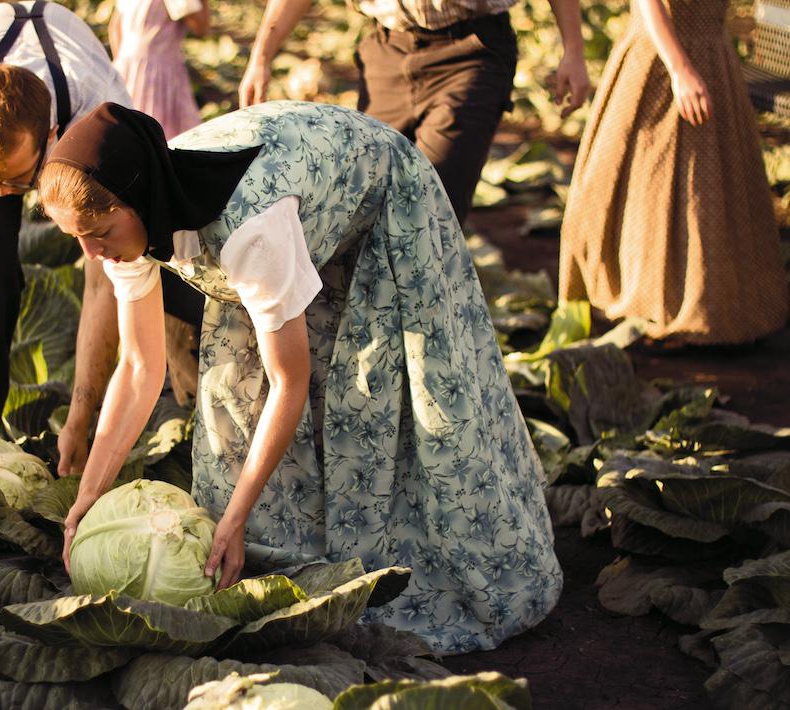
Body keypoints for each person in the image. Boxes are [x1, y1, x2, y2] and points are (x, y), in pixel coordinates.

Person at [41, 101, 562, 654]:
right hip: (298, 202)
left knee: (390, 398)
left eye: (98, 232)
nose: (92, 253)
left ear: (135, 198)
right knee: (235, 401)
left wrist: (234, 519)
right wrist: (88, 496)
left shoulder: (251, 231)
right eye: (78, 238)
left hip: (384, 196)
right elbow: (140, 366)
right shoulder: (135, 215)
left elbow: (289, 382)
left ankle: (453, 559)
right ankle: (287, 552)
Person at [0, 1, 201, 505]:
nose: (6, 193)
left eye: (17, 181)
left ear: (51, 138)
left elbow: (106, 277)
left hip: (72, 113)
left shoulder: (99, 116)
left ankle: (192, 420)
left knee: (146, 250)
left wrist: (81, 416)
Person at [558, 0, 789, 344]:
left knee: (710, 198)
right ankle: (644, 308)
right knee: (648, 185)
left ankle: (716, 312)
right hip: (661, 58)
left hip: (713, 56)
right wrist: (680, 69)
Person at [238, 0, 591, 224]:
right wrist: (262, 57)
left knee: (434, 202)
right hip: (387, 52)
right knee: (368, 202)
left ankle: (430, 327)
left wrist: (573, 50)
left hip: (471, 52)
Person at [110, 0, 210, 139]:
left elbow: (115, 28)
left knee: (127, 128)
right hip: (158, 73)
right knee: (162, 135)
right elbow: (201, 26)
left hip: (126, 64)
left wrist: (123, 63)